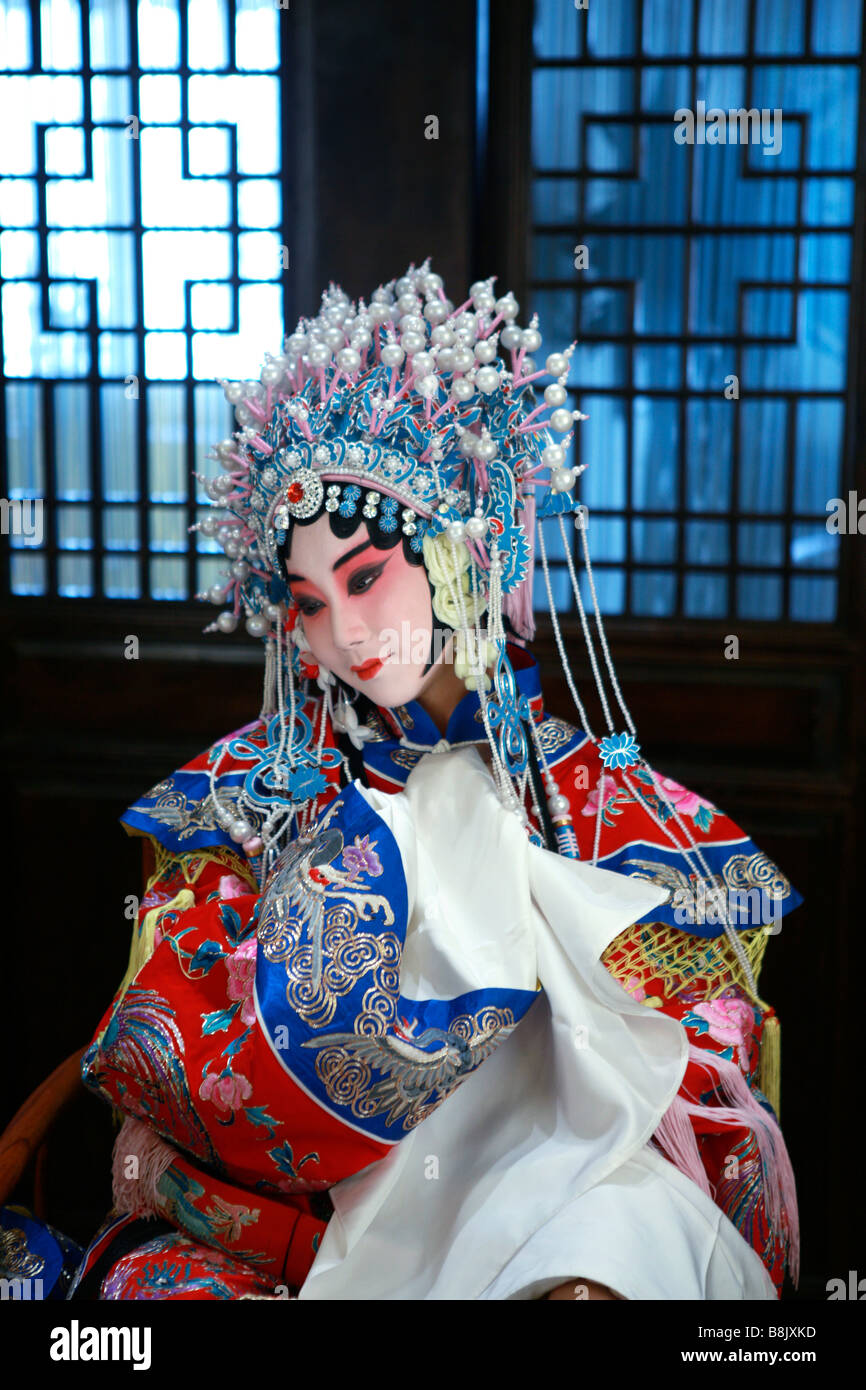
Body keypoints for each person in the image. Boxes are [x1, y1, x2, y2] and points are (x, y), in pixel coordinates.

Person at [62, 261, 800, 1301]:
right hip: (340, 1207)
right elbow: (175, 1056)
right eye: (308, 602)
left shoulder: (584, 791)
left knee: (617, 1243)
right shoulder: (255, 786)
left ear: (460, 552)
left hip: (566, 1172)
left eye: (366, 577)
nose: (345, 632)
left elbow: (712, 1031)